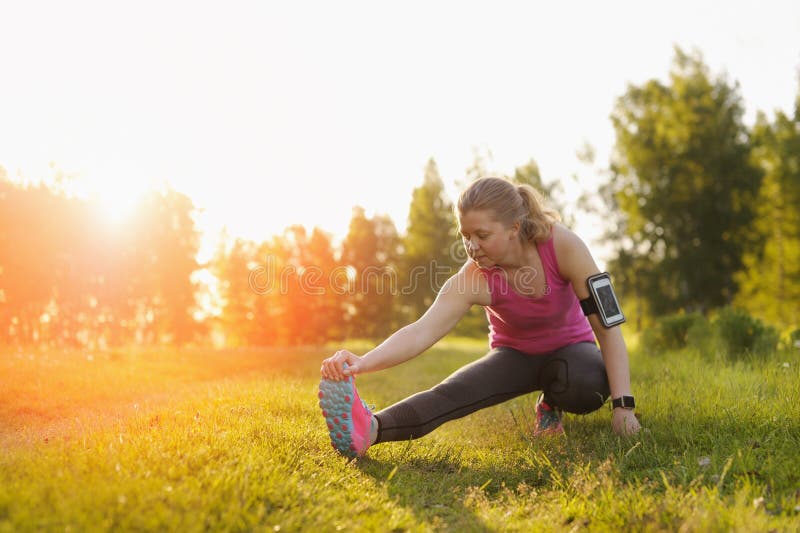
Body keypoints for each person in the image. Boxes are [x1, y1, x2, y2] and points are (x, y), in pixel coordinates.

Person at [318, 176, 641, 459]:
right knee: (451, 393)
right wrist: (363, 362)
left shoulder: (563, 245)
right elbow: (421, 331)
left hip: (573, 351)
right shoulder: (474, 277)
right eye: (465, 235)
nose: (472, 246)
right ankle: (369, 429)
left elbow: (608, 327)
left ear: (514, 228)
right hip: (514, 356)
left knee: (589, 385)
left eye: (482, 235)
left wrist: (623, 408)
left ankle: (551, 402)